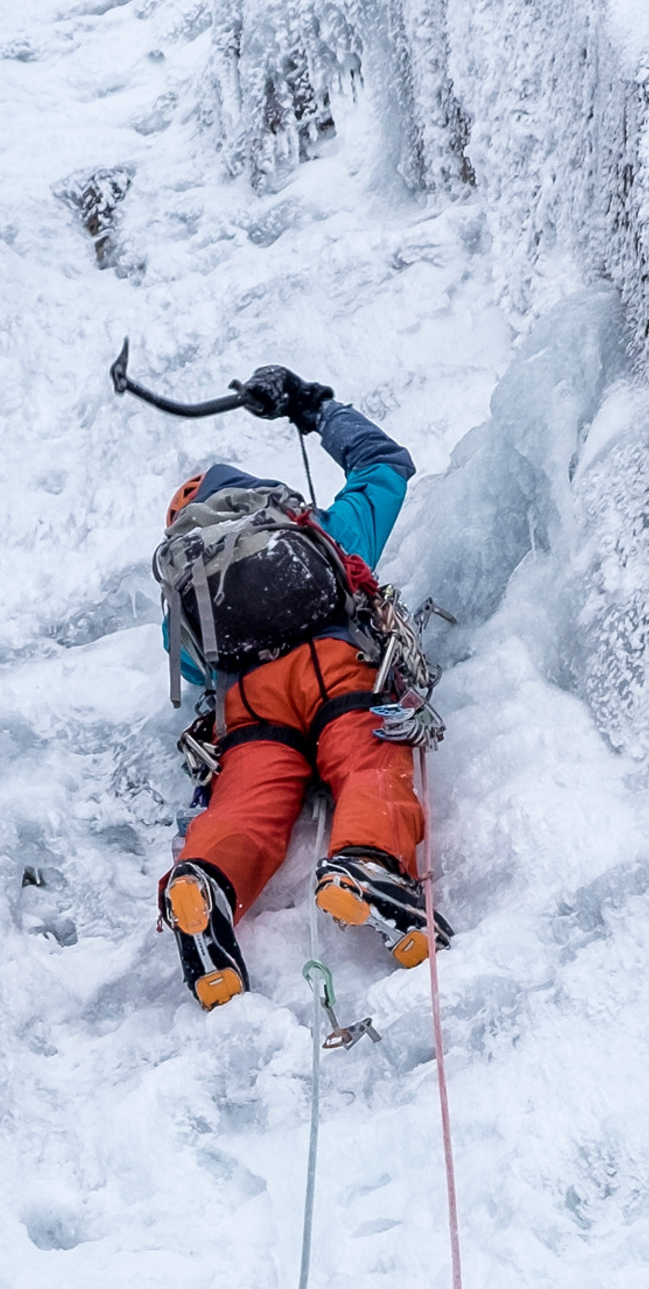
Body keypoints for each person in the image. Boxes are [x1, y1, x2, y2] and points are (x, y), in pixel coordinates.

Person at [154, 365, 449, 1007]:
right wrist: (312, 406)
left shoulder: (191, 590)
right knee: (368, 758)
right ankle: (365, 862)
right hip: (336, 667)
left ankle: (206, 881)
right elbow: (385, 465)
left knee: (243, 806)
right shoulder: (314, 532)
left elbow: (193, 672)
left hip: (248, 707)